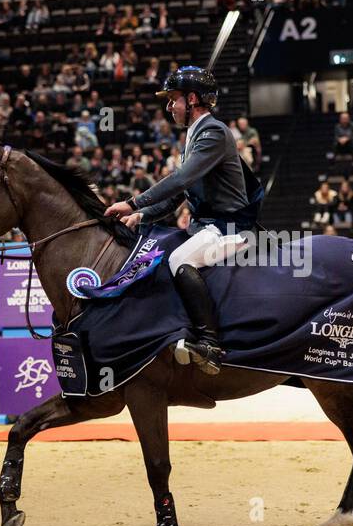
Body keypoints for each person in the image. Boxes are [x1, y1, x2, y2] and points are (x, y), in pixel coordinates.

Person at [104, 66, 263, 375]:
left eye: (173, 99)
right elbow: (179, 195)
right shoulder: (194, 136)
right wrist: (141, 215)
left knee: (179, 259)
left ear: (192, 99)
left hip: (231, 227)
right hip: (208, 225)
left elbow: (180, 180)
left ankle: (209, 343)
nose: (169, 107)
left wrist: (133, 202)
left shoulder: (214, 132)